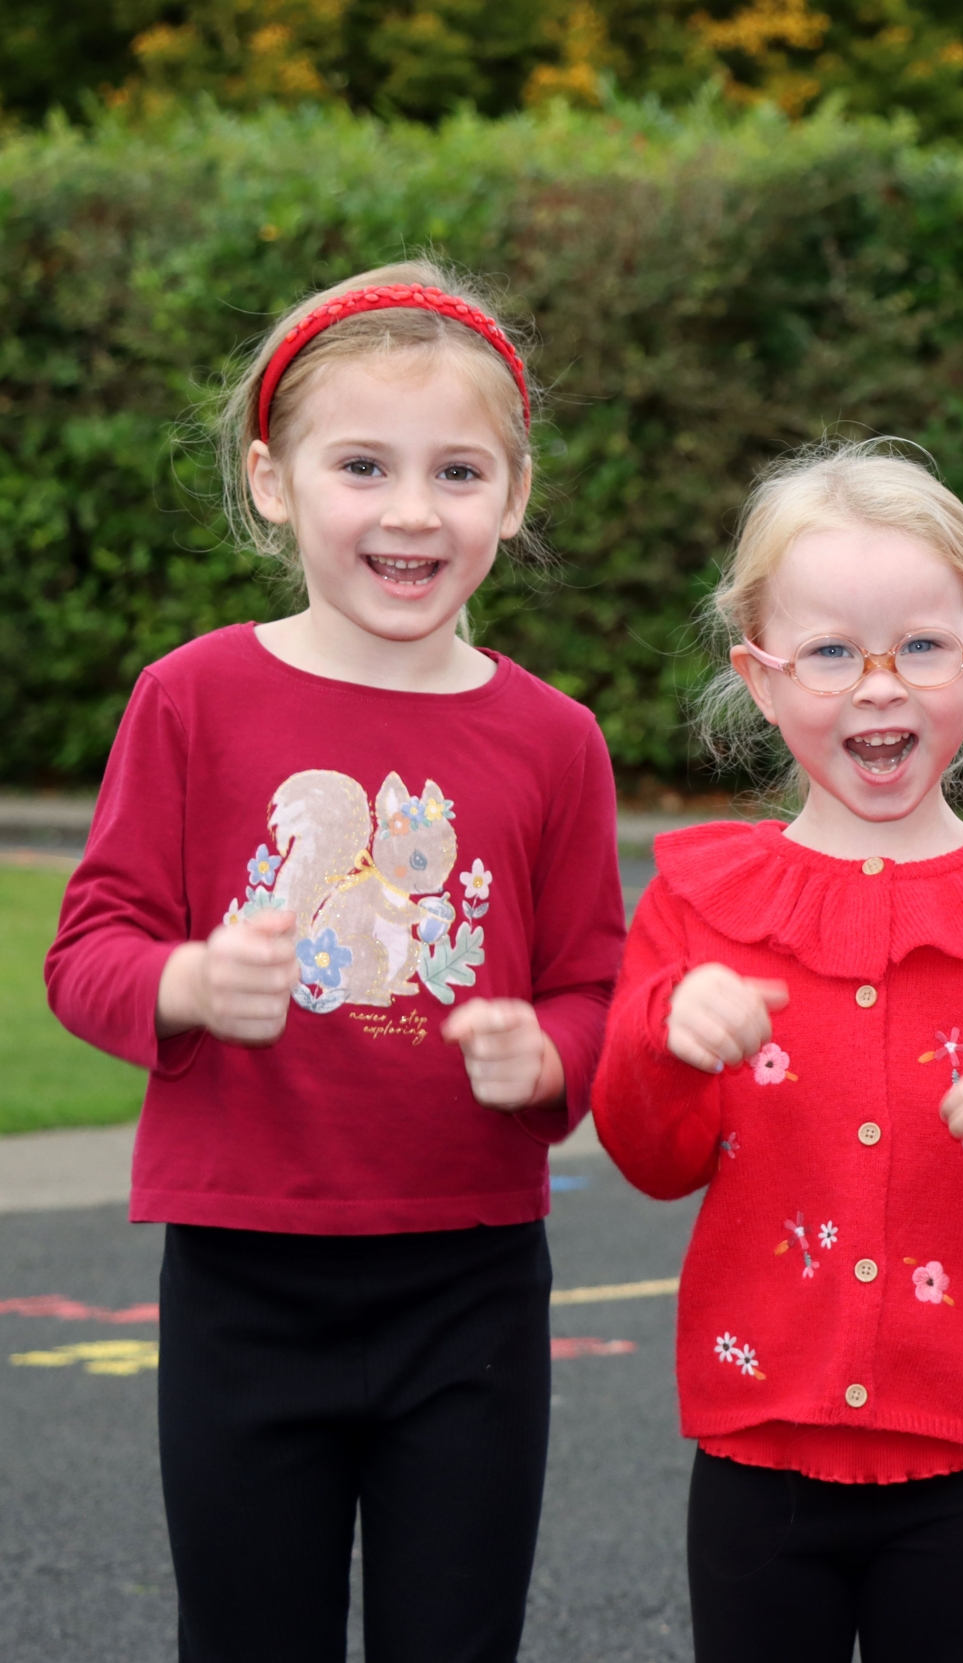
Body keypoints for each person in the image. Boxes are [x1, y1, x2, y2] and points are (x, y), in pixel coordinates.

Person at [45, 260, 626, 1662]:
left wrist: (548, 1054)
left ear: (518, 492)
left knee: (455, 1635)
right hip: (245, 1271)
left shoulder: (557, 739)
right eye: (362, 464)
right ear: (271, 479)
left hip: (473, 1278)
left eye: (460, 470)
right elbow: (90, 946)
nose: (413, 510)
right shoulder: (190, 697)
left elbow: (598, 986)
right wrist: (185, 985)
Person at [592, 440, 963, 1663]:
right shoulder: (698, 904)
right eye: (832, 653)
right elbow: (647, 1153)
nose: (879, 687)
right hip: (758, 1447)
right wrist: (665, 1045)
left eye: (920, 646)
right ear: (760, 674)